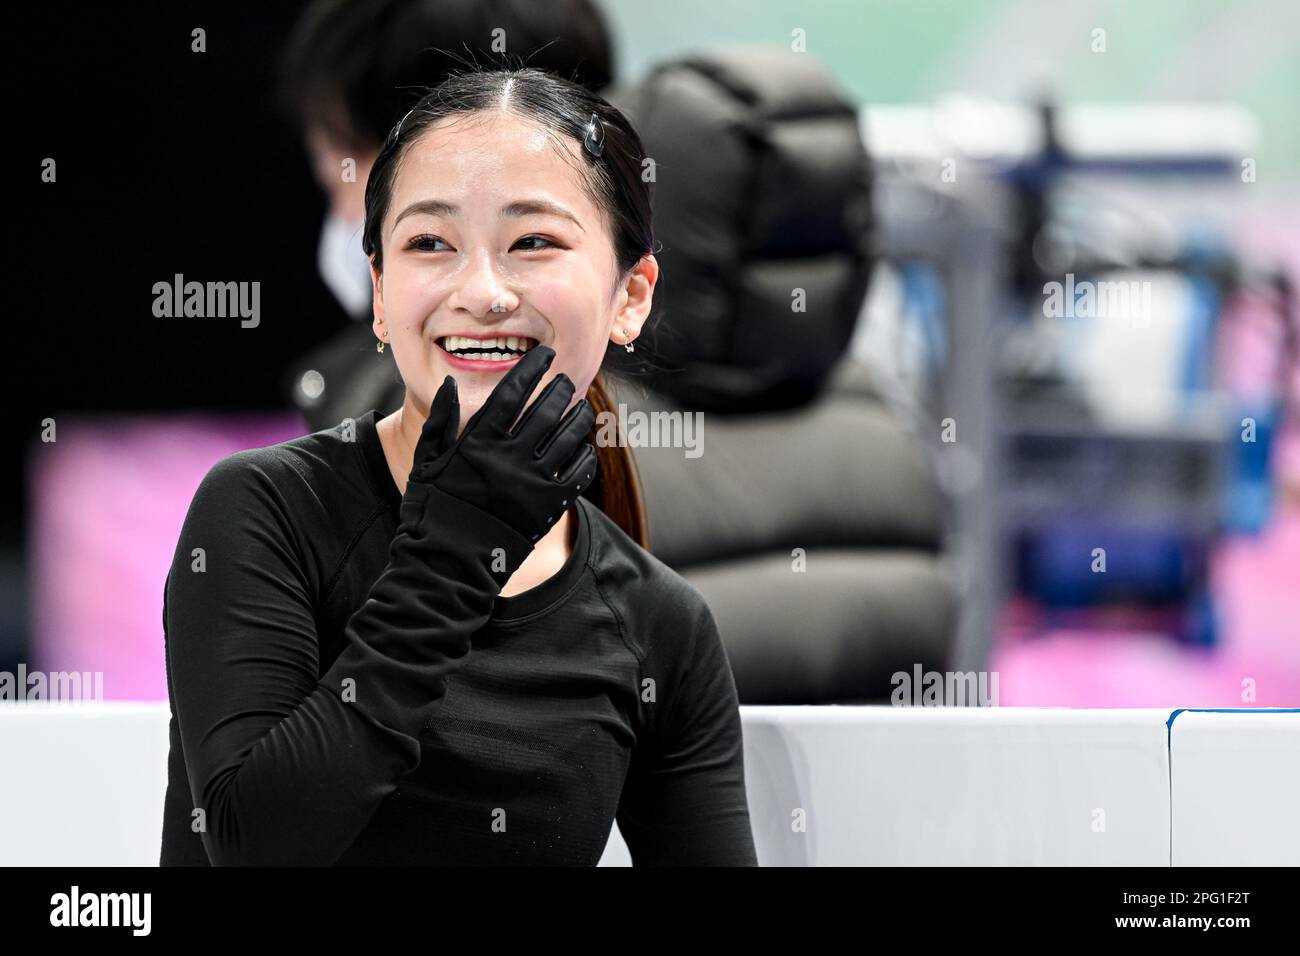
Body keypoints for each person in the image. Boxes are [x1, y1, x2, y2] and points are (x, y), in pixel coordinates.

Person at [159, 65, 758, 866]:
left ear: (632, 295)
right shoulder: (266, 510)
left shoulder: (660, 623)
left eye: (533, 242)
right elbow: (254, 844)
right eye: (430, 244)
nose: (482, 292)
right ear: (379, 293)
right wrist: (454, 555)